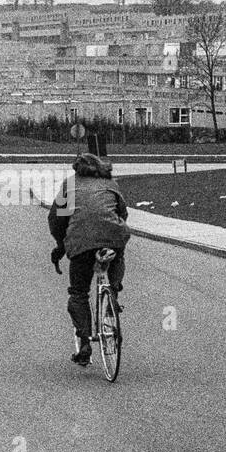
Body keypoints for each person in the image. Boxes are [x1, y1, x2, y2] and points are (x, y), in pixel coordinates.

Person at [48, 153, 129, 365]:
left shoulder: (70, 186)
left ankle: (84, 342)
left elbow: (57, 219)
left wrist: (60, 245)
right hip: (113, 239)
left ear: (77, 169)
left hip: (81, 244)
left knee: (79, 292)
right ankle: (112, 296)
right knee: (116, 261)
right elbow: (122, 213)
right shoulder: (111, 184)